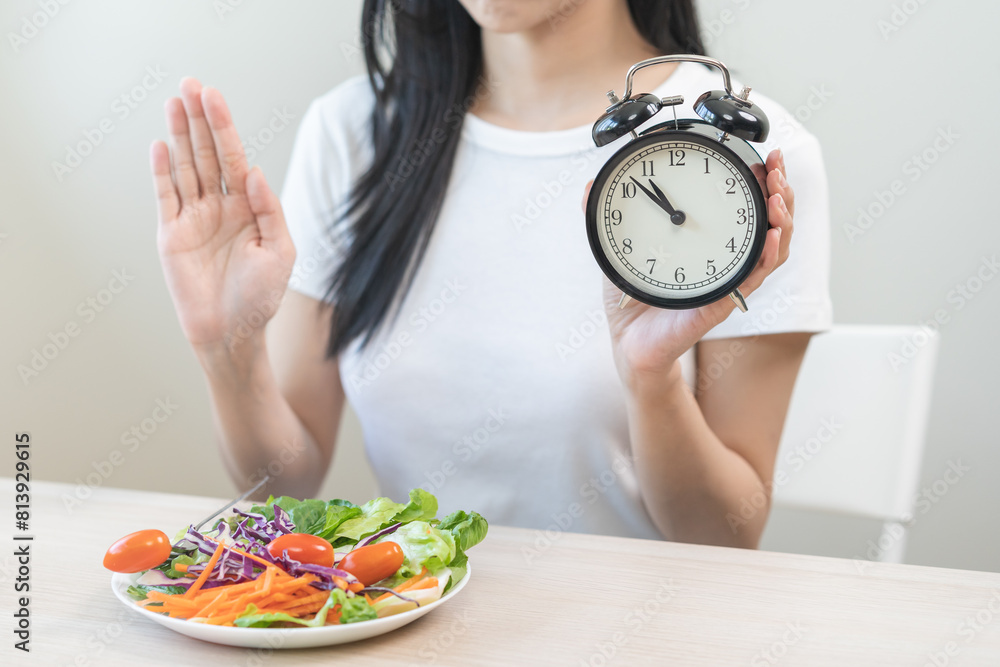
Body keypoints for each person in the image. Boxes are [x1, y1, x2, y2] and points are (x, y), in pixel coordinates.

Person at [149, 0, 831, 549]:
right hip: (410, 628)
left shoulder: (754, 163)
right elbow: (286, 487)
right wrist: (227, 346)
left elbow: (724, 536)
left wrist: (650, 381)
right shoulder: (353, 133)